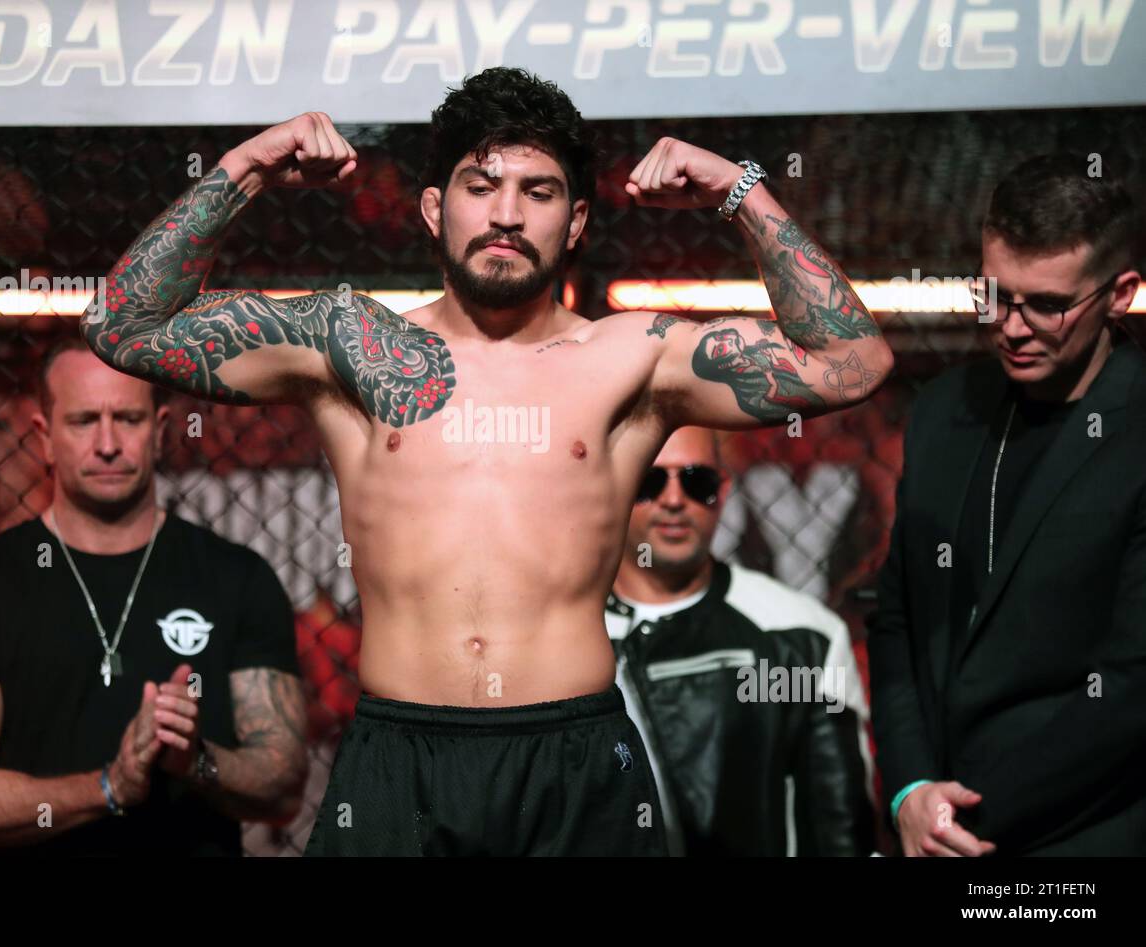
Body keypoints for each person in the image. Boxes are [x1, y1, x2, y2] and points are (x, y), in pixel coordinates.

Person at [83, 67, 893, 856]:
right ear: (435, 209)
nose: (506, 214)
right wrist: (249, 166)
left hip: (574, 757)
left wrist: (739, 191)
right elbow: (123, 324)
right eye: (481, 185)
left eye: (538, 193)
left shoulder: (634, 355)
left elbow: (851, 358)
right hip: (401, 757)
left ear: (574, 222)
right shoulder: (350, 346)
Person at [0, 337, 308, 855]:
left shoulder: (235, 577)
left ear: (161, 429)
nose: (107, 443)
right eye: (83, 421)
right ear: (45, 436)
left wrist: (194, 761)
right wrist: (110, 786)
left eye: (127, 418)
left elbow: (283, 788)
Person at [869, 153, 1145, 856]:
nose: (1012, 327)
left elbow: (1131, 689)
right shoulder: (942, 412)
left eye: (1047, 304)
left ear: (1122, 293)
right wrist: (907, 791)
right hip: (935, 823)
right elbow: (899, 616)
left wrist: (964, 822)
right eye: (992, 295)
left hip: (1087, 837)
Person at [608, 426, 874, 856]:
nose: (674, 500)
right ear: (616, 485)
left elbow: (838, 830)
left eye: (698, 482)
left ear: (724, 490)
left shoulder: (801, 634)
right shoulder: (561, 635)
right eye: (650, 481)